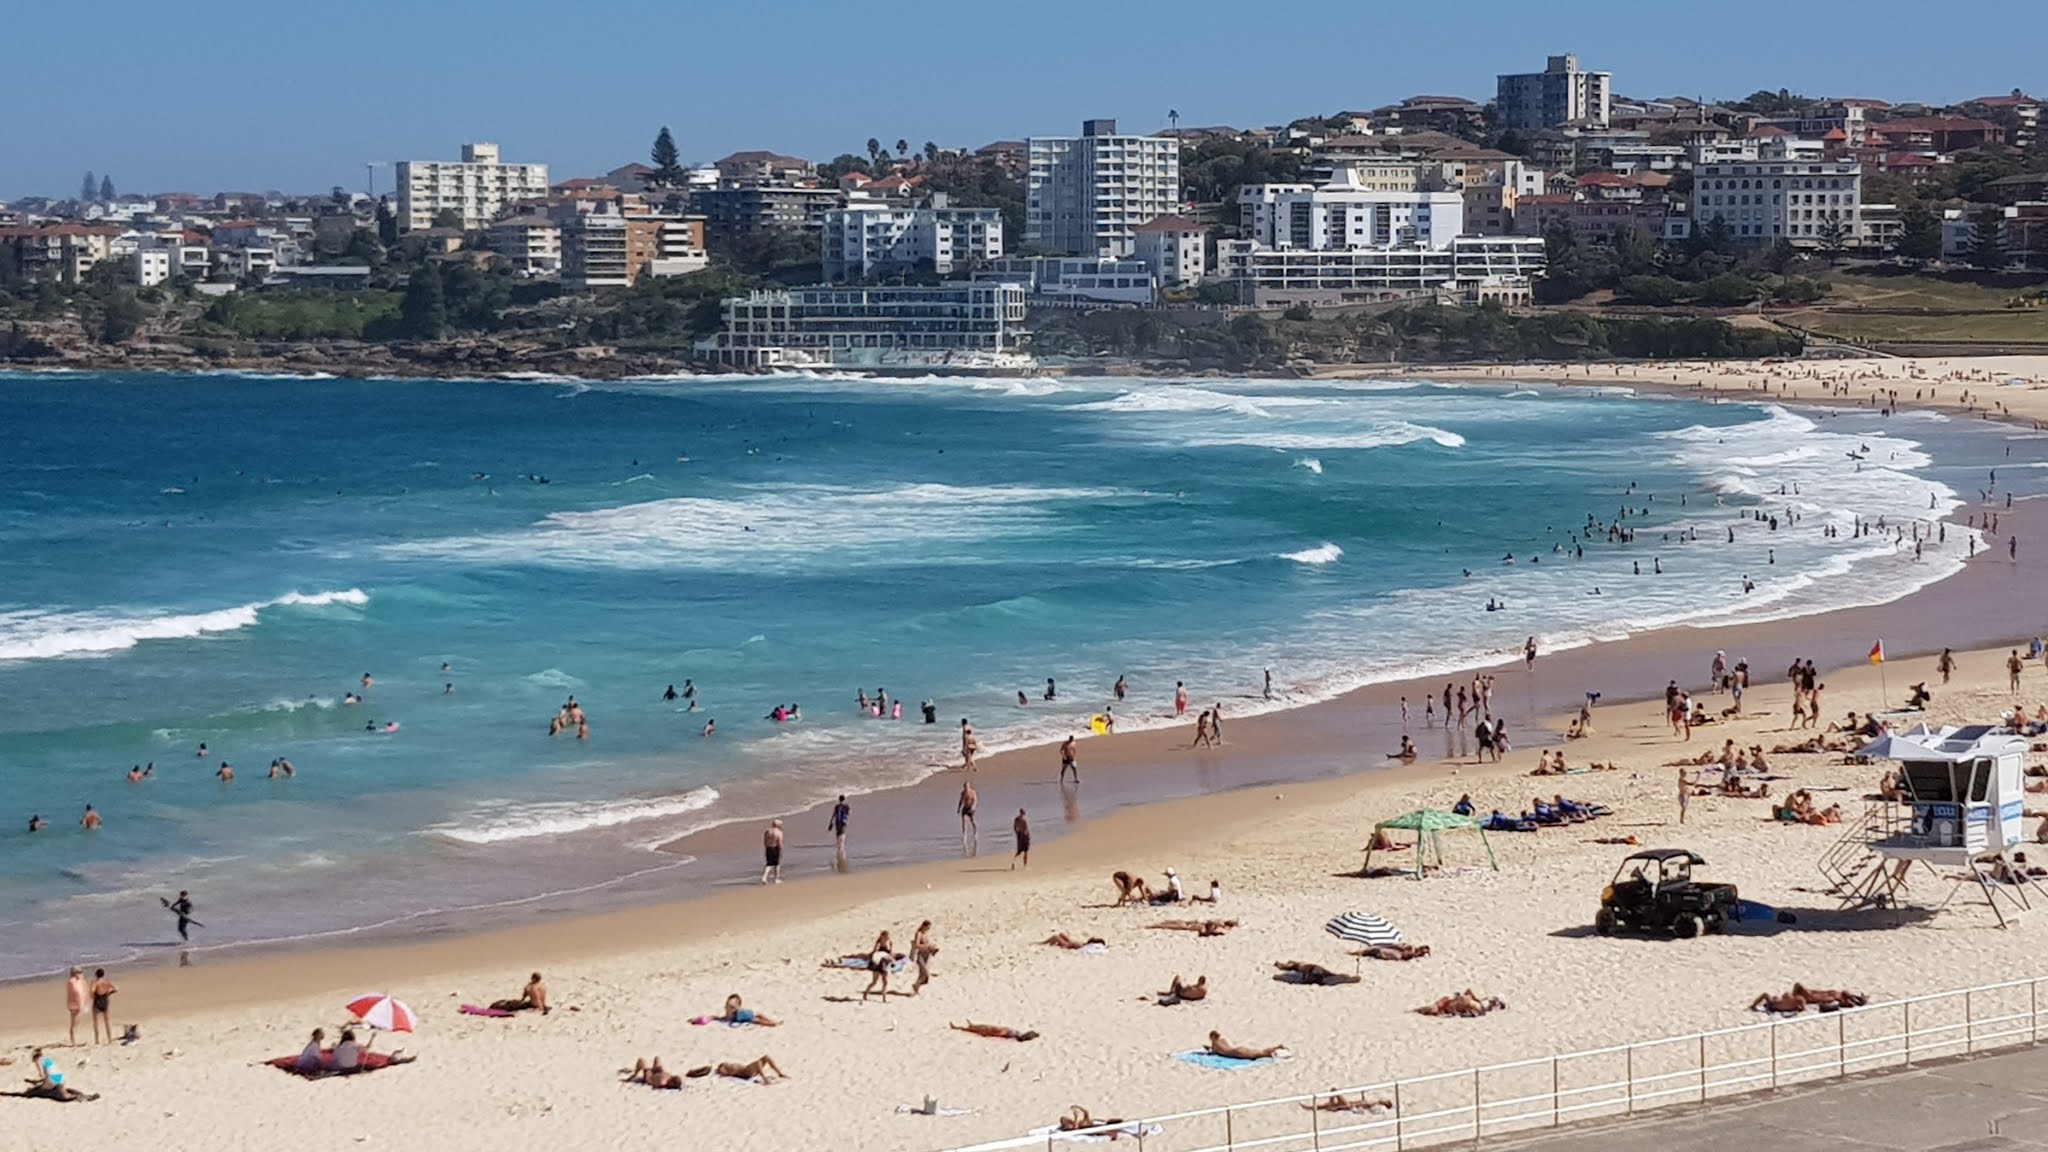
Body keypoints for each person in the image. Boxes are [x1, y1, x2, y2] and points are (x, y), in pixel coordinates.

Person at [1206, 1031, 1286, 1061]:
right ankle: (1276, 1048)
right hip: (1237, 1049)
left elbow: (1214, 1052)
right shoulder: (1223, 1040)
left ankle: (1276, 1049)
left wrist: (1208, 1049)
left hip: (1236, 1053)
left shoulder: (1215, 1045)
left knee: (1258, 1054)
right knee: (1259, 1052)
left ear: (1212, 1037)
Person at [862, 930, 893, 1002]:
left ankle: (884, 998)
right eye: (887, 936)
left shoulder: (889, 944)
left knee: (885, 981)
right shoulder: (878, 943)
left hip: (885, 963)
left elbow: (891, 953)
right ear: (883, 936)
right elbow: (875, 952)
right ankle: (866, 992)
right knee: (874, 982)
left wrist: (891, 952)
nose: (888, 937)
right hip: (878, 964)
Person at [88, 968, 116, 1044]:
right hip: (105, 1000)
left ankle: (97, 1040)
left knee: (96, 1022)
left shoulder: (95, 982)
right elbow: (115, 989)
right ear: (103, 974)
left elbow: (92, 991)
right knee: (107, 1021)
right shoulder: (106, 981)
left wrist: (92, 996)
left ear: (96, 975)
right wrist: (108, 993)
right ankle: (109, 1039)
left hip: (97, 1001)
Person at [911, 920, 938, 995]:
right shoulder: (919, 934)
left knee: (922, 974)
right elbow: (917, 945)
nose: (928, 929)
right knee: (926, 973)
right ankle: (915, 985)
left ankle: (916, 989)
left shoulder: (925, 934)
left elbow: (927, 943)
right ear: (924, 926)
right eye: (927, 928)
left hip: (926, 955)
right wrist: (927, 946)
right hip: (920, 956)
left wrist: (933, 948)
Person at [951, 1021, 1039, 1041]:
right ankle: (969, 1026)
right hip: (1002, 1032)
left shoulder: (1014, 1035)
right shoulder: (1017, 1034)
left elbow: (999, 1032)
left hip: (1000, 1032)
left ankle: (964, 1027)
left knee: (983, 1028)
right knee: (982, 1028)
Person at [66, 966, 86, 1044]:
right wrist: (80, 1004)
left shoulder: (76, 981)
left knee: (76, 1021)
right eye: (79, 972)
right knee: (74, 1022)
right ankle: (73, 1040)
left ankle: (73, 1038)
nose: (81, 974)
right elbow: (77, 993)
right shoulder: (72, 982)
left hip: (75, 1003)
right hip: (75, 1004)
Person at [958, 781, 978, 855]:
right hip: (965, 808)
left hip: (971, 808)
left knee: (973, 822)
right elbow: (960, 801)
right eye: (965, 787)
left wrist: (973, 807)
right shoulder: (963, 793)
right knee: (964, 821)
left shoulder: (972, 792)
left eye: (967, 786)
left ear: (969, 786)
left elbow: (975, 800)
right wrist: (958, 808)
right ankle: (964, 835)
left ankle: (975, 833)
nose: (966, 788)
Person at [761, 819, 784, 884]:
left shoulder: (767, 831)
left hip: (768, 848)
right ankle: (776, 879)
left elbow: (765, 840)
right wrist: (781, 850)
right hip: (775, 848)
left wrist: (766, 847)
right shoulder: (779, 832)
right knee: (777, 864)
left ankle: (764, 876)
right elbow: (780, 843)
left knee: (769, 864)